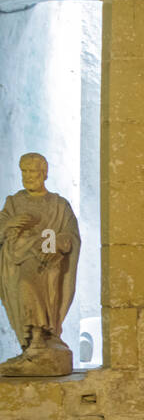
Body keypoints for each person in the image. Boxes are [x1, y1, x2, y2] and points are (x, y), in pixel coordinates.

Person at [0, 152, 80, 375]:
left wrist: (54, 245)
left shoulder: (59, 205)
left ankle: (39, 342)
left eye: (32, 171)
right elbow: (0, 230)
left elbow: (71, 238)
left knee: (34, 281)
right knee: (24, 282)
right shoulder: (13, 203)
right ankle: (33, 345)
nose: (27, 176)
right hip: (19, 261)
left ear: (44, 173)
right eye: (24, 171)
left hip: (48, 265)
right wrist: (10, 225)